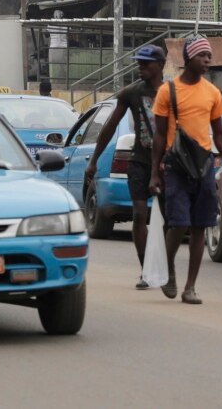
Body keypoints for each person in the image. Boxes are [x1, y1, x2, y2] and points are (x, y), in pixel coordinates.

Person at [149, 37, 222, 305]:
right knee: (179, 222)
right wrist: (154, 174)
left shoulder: (213, 93)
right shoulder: (167, 92)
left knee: (200, 227)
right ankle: (169, 269)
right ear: (189, 59)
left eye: (209, 56)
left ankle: (190, 287)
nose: (208, 60)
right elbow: (159, 135)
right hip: (175, 166)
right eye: (203, 55)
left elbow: (220, 135)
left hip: (204, 165)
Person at [85, 44, 167, 289]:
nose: (140, 67)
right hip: (140, 162)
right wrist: (94, 160)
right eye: (138, 62)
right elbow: (110, 126)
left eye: (145, 63)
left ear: (160, 66)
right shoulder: (131, 93)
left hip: (169, 163)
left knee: (172, 221)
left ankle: (165, 270)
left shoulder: (174, 93)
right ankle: (146, 270)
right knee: (140, 214)